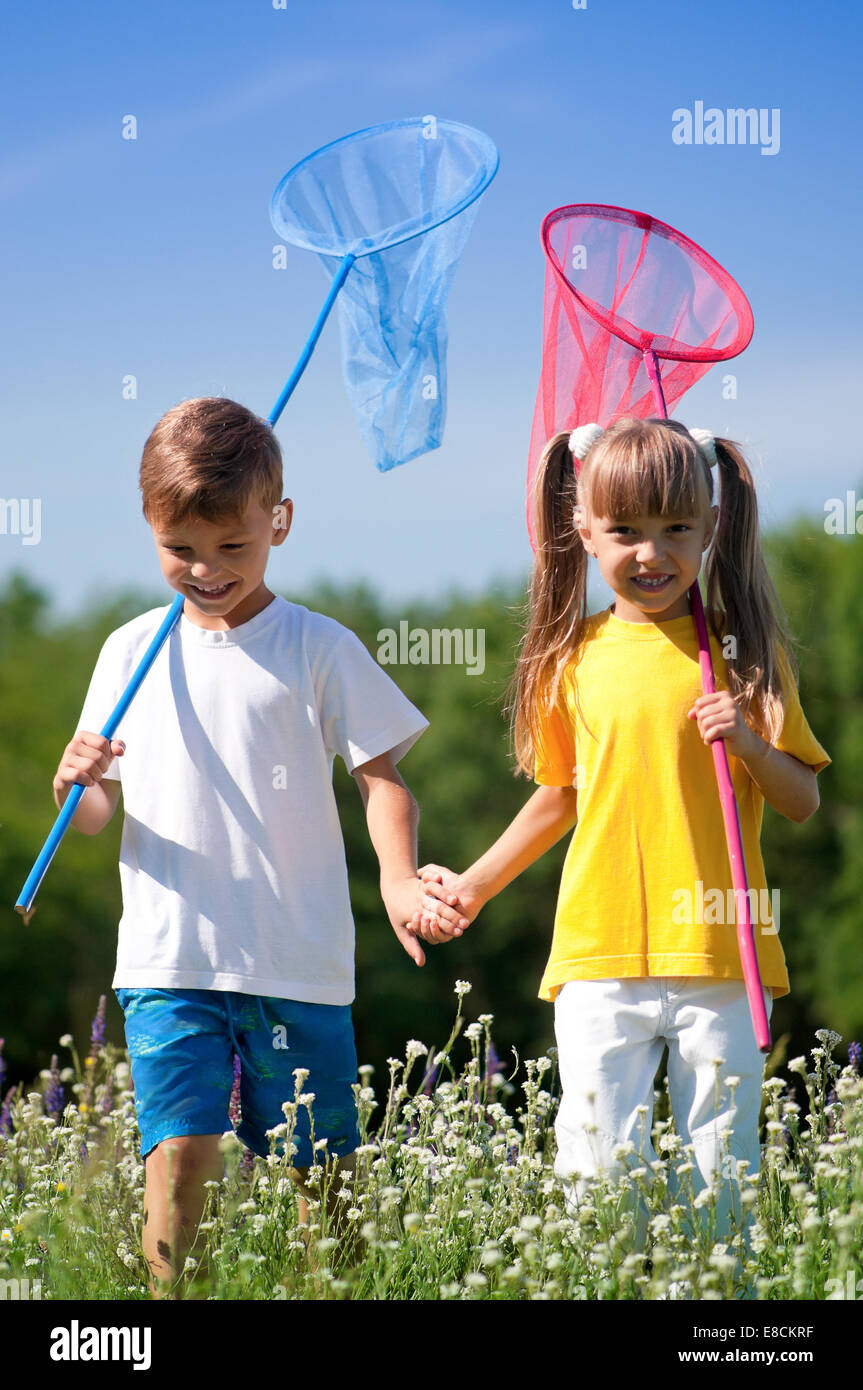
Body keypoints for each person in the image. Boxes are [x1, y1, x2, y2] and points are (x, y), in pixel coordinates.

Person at [51, 396, 468, 1297]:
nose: (205, 570)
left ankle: (345, 1293)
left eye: (231, 548)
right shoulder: (128, 651)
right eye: (181, 549)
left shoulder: (319, 646)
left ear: (278, 521)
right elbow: (93, 818)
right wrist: (75, 783)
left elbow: (381, 776)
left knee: (320, 1165)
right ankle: (169, 1304)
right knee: (181, 1144)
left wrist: (398, 880)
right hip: (168, 954)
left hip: (294, 955)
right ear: (150, 527)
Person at [414, 416, 831, 1249]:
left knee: (724, 1169)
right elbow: (558, 798)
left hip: (719, 949)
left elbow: (801, 801)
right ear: (583, 532)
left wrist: (746, 740)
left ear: (711, 527)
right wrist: (474, 883)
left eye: (677, 528)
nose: (653, 552)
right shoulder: (569, 658)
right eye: (626, 531)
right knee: (597, 1169)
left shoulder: (745, 656)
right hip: (598, 951)